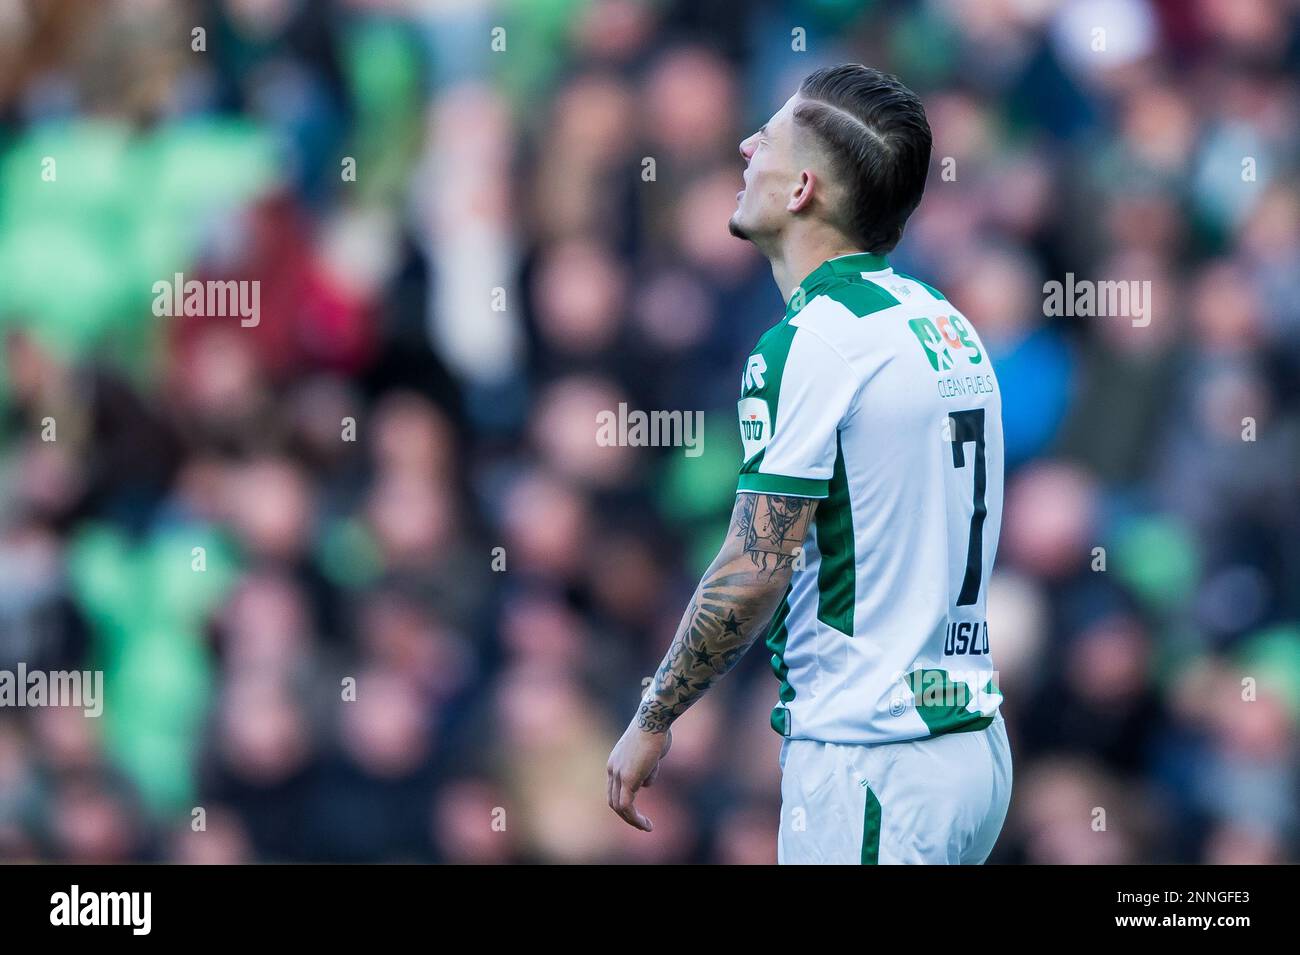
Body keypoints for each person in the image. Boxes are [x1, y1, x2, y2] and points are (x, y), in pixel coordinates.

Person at [606, 64, 1012, 864]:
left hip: (873, 755)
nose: (745, 144)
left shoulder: (810, 344)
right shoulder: (944, 319)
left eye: (769, 136)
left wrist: (654, 713)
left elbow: (756, 565)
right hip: (970, 745)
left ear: (801, 190)